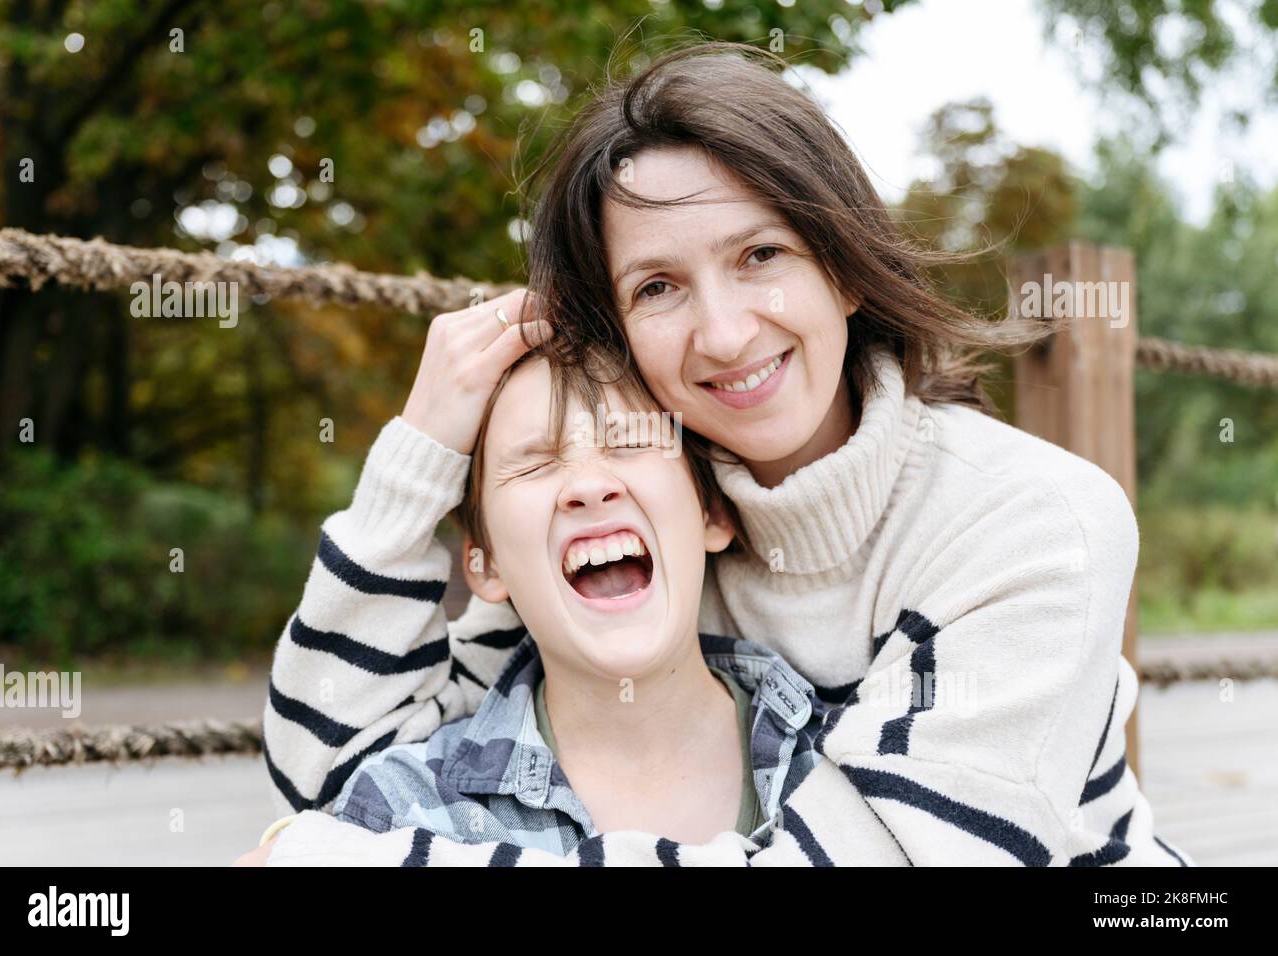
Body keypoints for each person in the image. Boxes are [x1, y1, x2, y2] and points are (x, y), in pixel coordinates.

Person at [254, 40, 1193, 866]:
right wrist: (420, 449)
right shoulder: (638, 529)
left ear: (844, 265)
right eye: (658, 286)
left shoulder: (1035, 524)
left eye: (761, 256)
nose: (725, 331)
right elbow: (336, 772)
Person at [247, 344, 907, 866]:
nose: (589, 485)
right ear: (486, 563)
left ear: (711, 512)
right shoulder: (401, 806)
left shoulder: (861, 763)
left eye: (632, 442)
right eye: (534, 464)